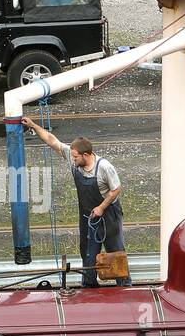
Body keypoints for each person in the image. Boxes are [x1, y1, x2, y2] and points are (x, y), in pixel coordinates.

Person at [22, 117, 132, 287]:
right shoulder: (75, 161)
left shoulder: (104, 167)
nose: (72, 159)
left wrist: (102, 207)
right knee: (88, 255)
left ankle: (125, 288)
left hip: (109, 216)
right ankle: (89, 288)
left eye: (75, 157)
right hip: (88, 217)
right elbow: (53, 142)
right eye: (72, 156)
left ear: (86, 155)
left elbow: (116, 189)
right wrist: (33, 126)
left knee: (116, 254)